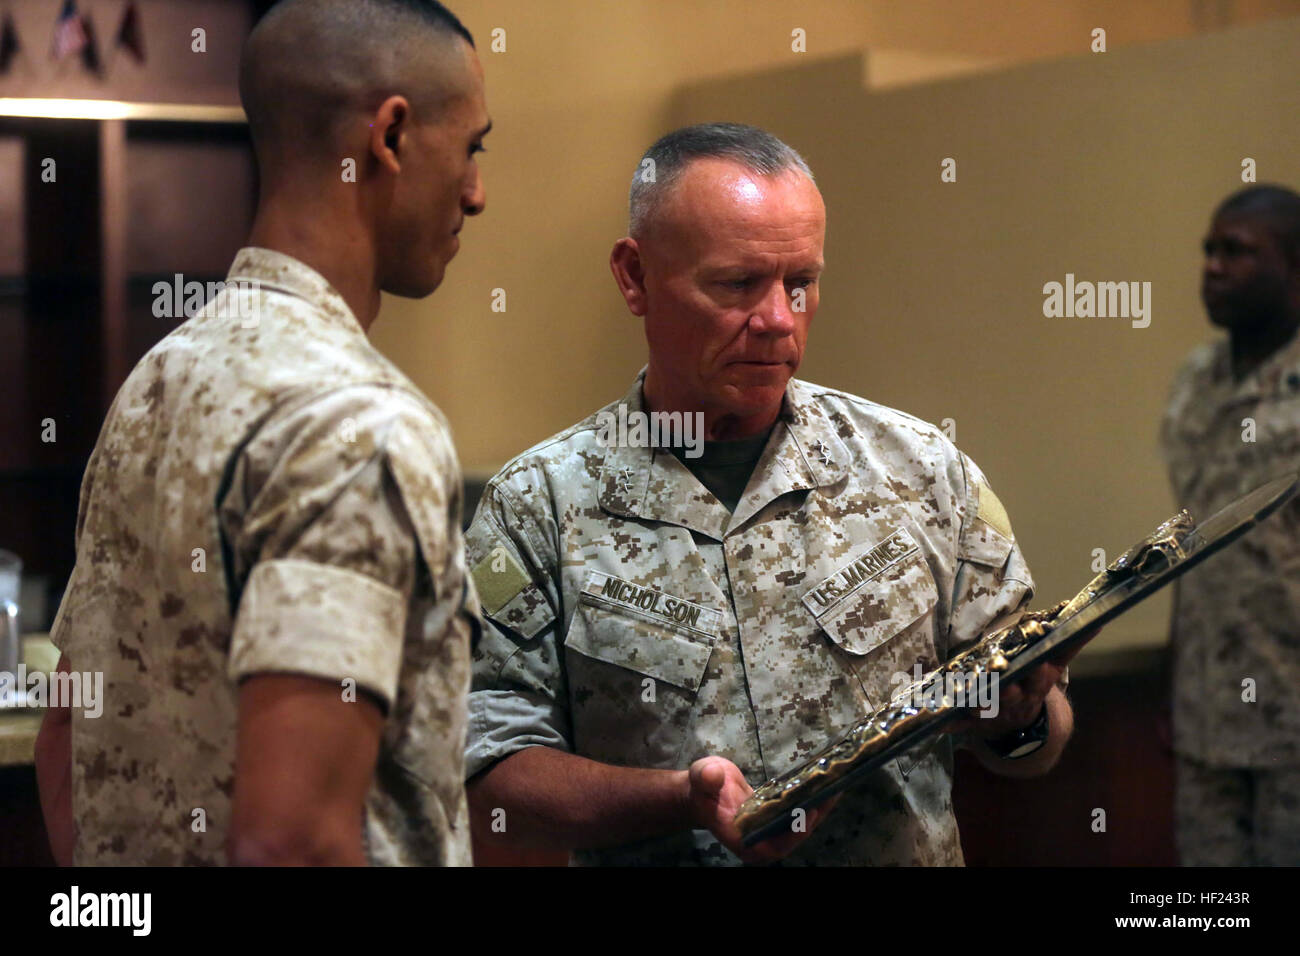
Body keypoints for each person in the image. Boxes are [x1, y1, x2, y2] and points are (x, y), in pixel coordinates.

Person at [463, 122, 1075, 866]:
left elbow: (1038, 742)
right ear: (635, 277)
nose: (779, 320)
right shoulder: (537, 506)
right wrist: (681, 801)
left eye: (801, 283)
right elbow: (489, 771)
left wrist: (1016, 717)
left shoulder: (918, 468)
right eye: (737, 284)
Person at [34, 0, 491, 866]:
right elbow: (292, 843)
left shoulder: (158, 379)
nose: (477, 190)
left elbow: (66, 737)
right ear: (390, 137)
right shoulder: (360, 423)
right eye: (472, 147)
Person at [1160, 184, 1300, 866]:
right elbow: (1189, 547)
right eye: (1209, 250)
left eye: (1238, 252)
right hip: (1206, 718)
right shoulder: (1195, 381)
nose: (1213, 267)